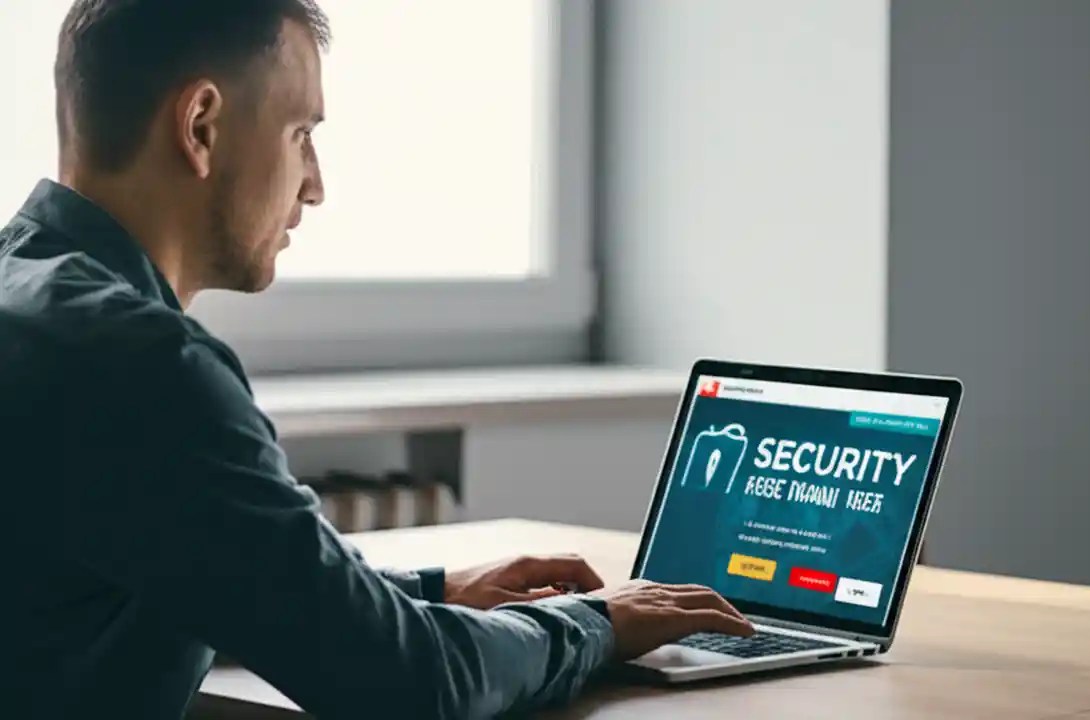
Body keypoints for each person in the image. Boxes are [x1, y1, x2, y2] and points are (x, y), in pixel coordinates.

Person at [0, 2, 752, 718]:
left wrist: (428, 592)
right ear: (200, 125)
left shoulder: (31, 311)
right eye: (301, 133)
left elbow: (201, 579)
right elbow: (411, 683)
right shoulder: (147, 369)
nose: (316, 185)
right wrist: (595, 624)